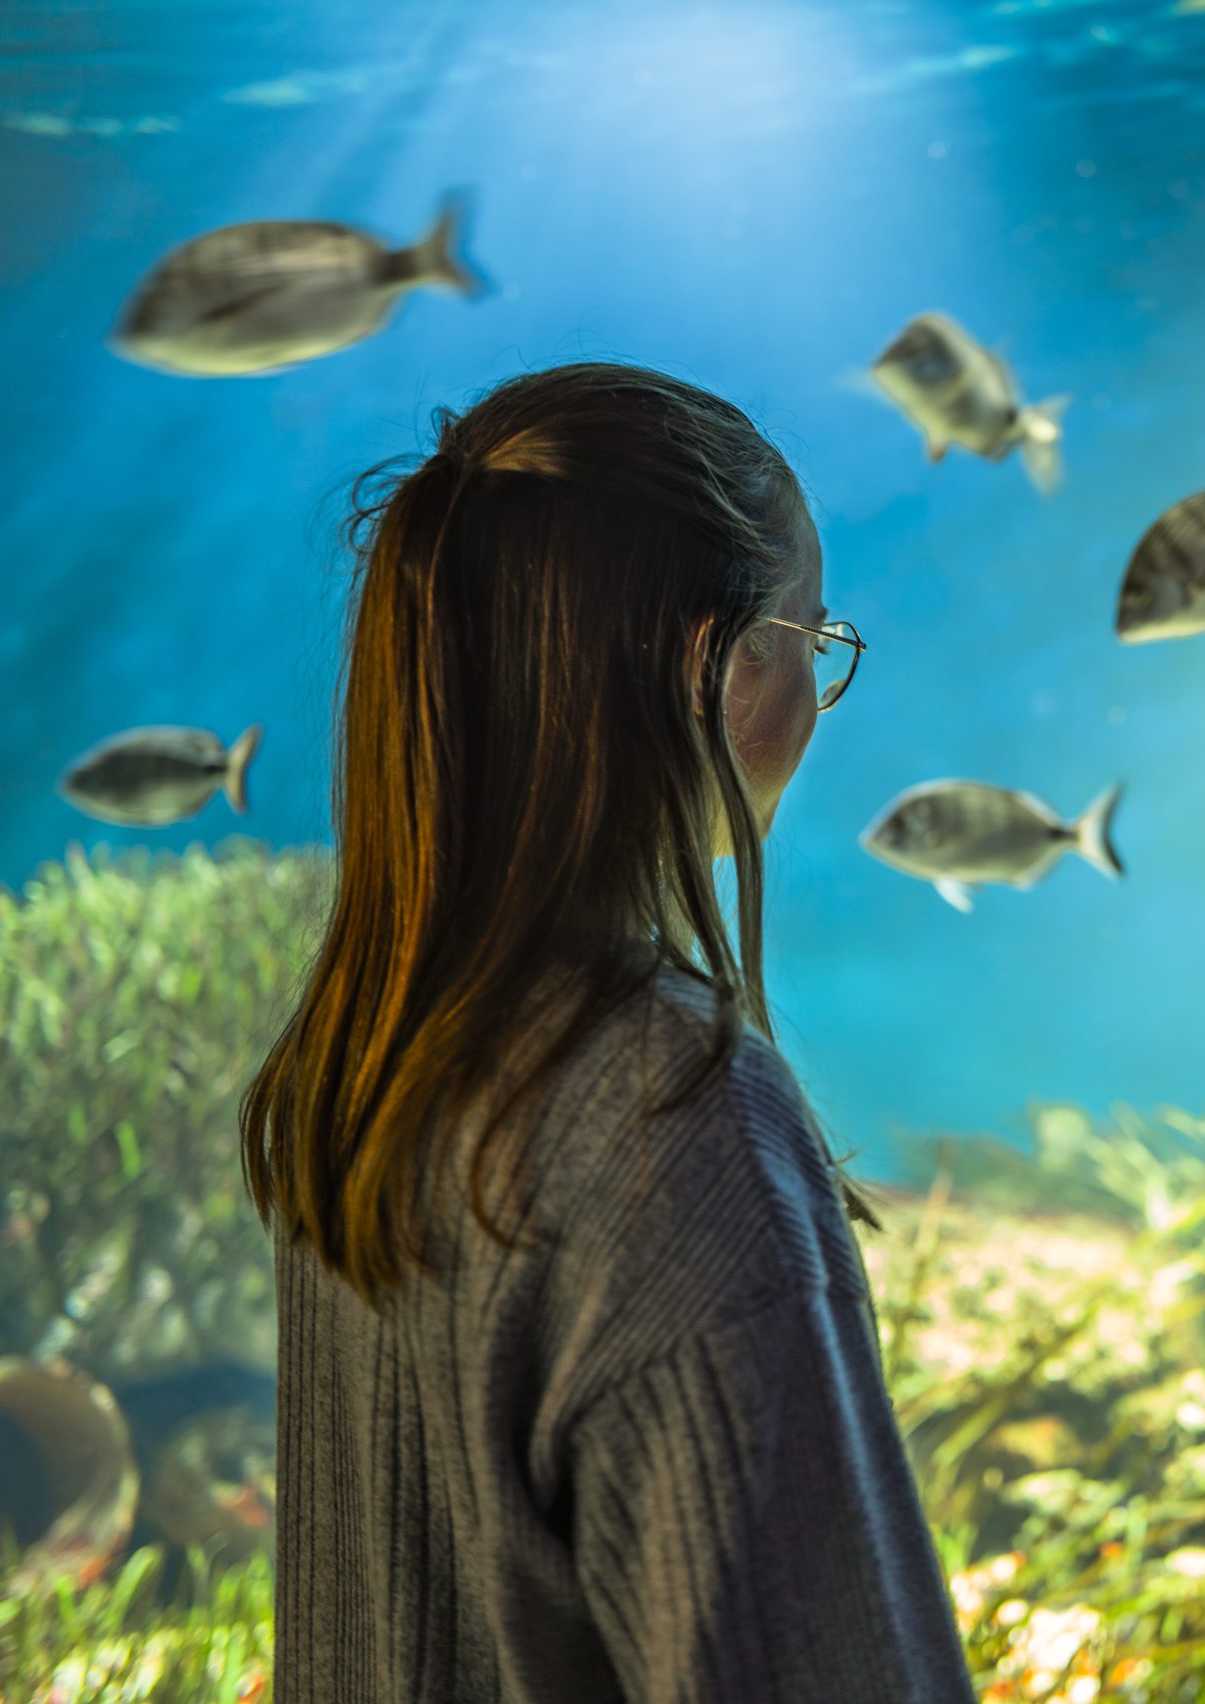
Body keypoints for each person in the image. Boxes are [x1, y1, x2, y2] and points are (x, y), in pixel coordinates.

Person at [242, 364, 975, 1703]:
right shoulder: (674, 1111)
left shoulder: (367, 1068)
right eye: (814, 641)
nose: (817, 689)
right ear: (715, 664)